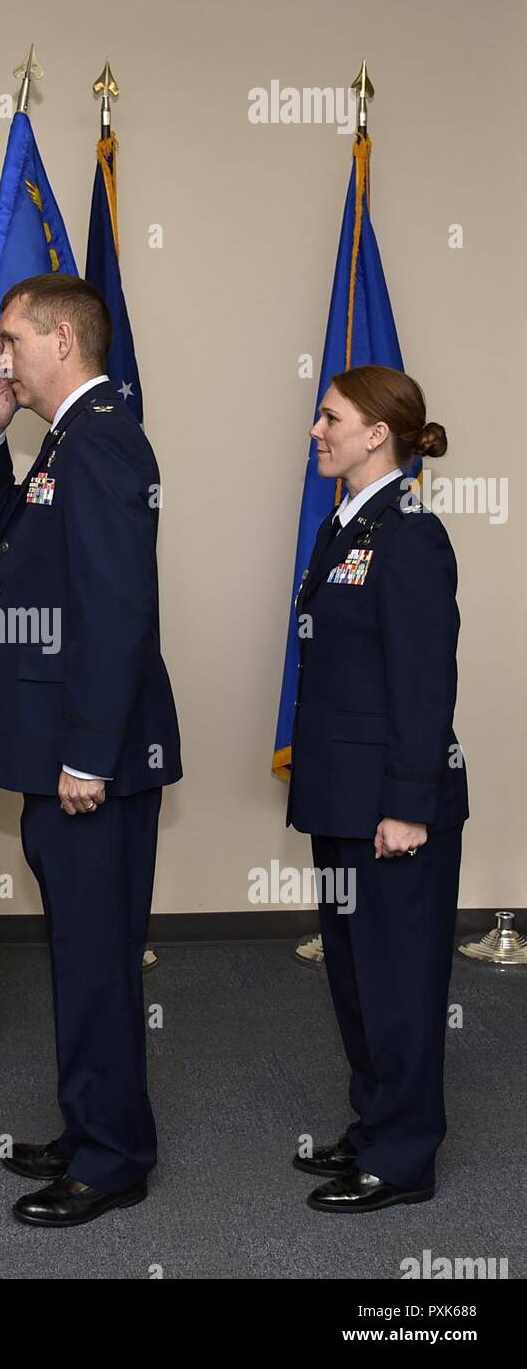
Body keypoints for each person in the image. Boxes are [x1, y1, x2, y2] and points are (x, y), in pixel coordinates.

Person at [0, 274, 181, 1228]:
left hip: (91, 761)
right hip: (60, 752)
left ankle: (114, 1157)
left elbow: (119, 612)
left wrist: (88, 753)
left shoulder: (106, 441)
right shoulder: (64, 443)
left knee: (95, 957)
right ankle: (97, 1125)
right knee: (83, 954)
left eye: (9, 339)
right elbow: (3, 543)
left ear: (59, 340)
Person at [286, 364, 469, 1212]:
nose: (316, 430)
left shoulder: (411, 534)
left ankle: (403, 1160)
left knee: (399, 984)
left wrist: (406, 804)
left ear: (376, 434)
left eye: (330, 418)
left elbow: (426, 684)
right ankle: (373, 1127)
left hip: (394, 808)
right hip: (343, 797)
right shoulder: (344, 527)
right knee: (358, 980)